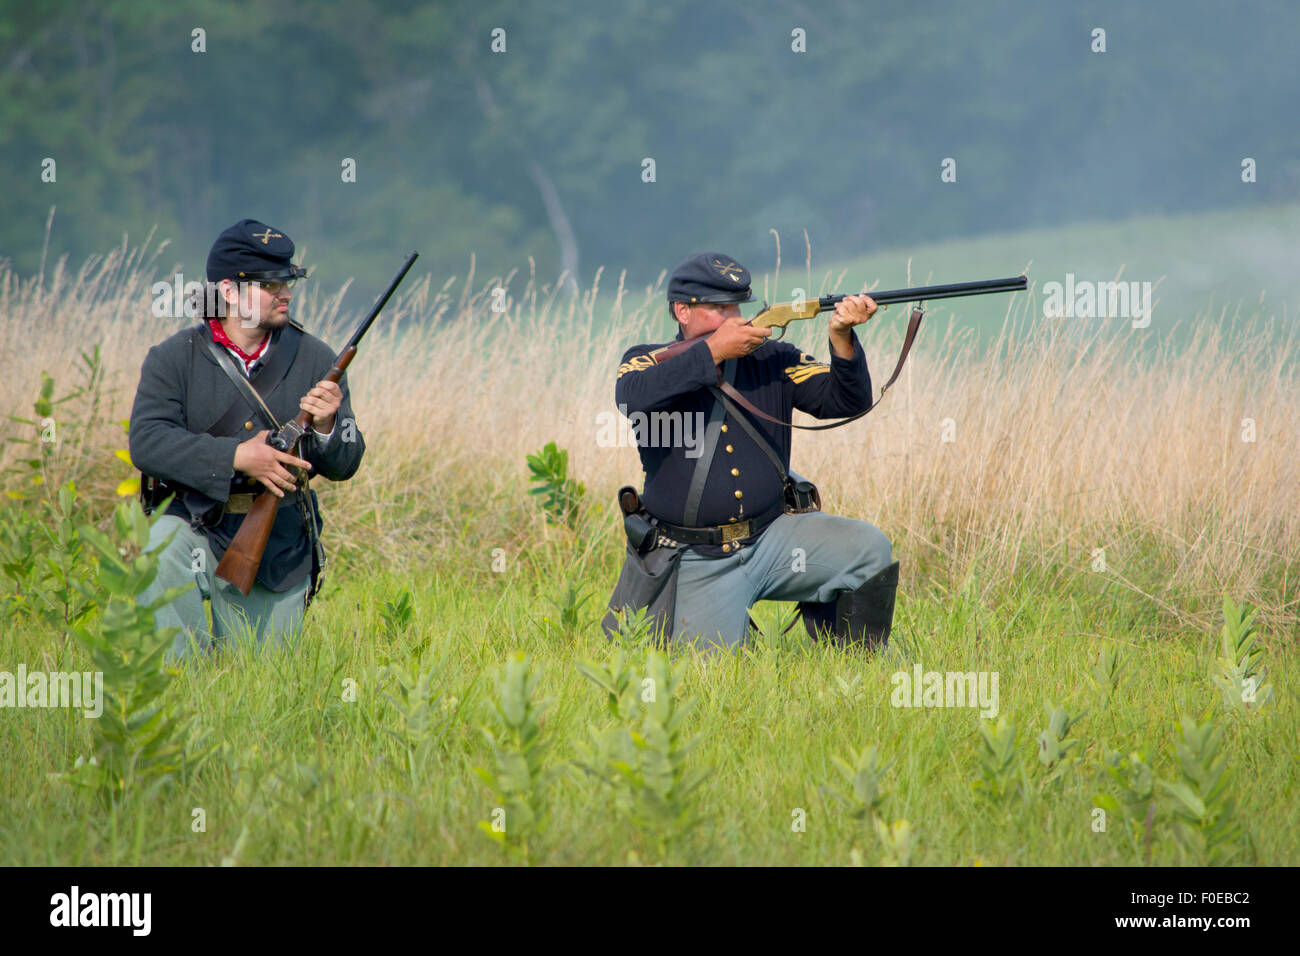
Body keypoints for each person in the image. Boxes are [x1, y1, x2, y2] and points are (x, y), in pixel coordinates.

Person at [605, 251, 898, 651]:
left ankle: (854, 663)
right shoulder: (646, 361)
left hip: (772, 538)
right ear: (681, 311)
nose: (732, 317)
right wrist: (713, 353)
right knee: (712, 676)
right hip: (698, 557)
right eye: (718, 308)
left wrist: (842, 337)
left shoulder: (774, 358)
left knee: (869, 549)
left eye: (736, 306)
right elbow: (631, 398)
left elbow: (847, 402)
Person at [130, 219, 365, 660]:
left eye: (288, 281)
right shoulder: (172, 358)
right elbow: (147, 442)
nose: (286, 294)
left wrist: (329, 425)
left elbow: (345, 464)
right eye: (271, 284)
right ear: (229, 292)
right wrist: (237, 456)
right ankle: (177, 698)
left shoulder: (316, 356)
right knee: (158, 550)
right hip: (195, 521)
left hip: (276, 538)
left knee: (262, 681)